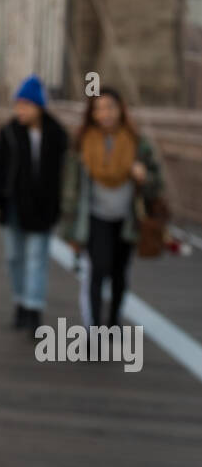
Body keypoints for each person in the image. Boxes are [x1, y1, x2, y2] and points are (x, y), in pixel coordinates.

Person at [60, 86, 165, 329]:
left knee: (119, 275)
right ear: (92, 113)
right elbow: (69, 189)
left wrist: (144, 177)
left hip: (127, 220)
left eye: (110, 108)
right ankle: (93, 330)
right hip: (94, 218)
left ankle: (113, 322)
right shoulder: (82, 143)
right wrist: (69, 228)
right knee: (97, 271)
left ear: (120, 110)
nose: (104, 114)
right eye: (98, 109)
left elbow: (156, 185)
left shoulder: (137, 144)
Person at [0, 75, 68, 334]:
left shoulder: (57, 135)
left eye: (25, 105)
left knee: (36, 258)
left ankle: (34, 308)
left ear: (39, 106)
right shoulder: (9, 132)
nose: (19, 110)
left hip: (43, 207)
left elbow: (65, 173)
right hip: (13, 205)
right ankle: (20, 301)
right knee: (14, 257)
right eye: (17, 104)